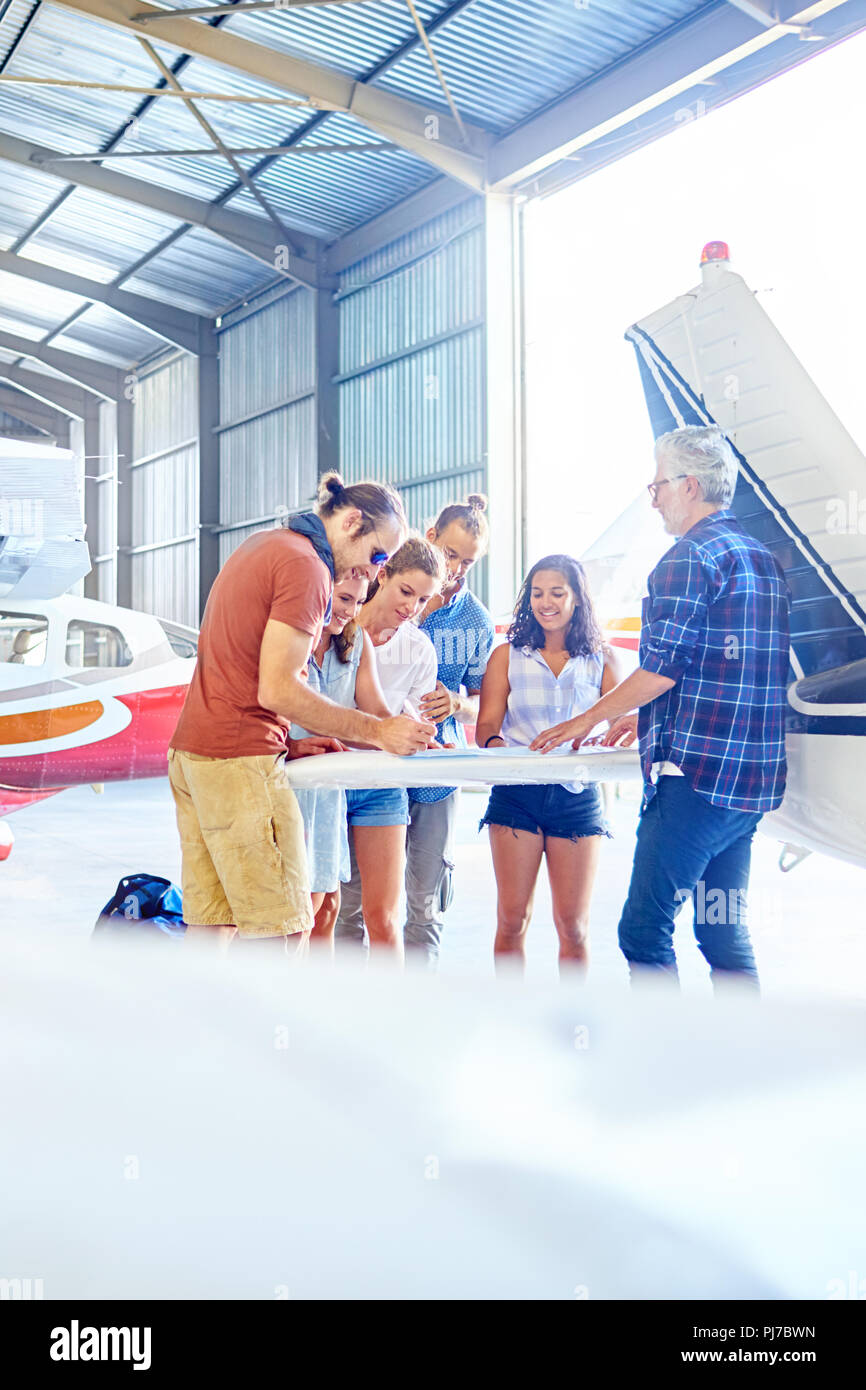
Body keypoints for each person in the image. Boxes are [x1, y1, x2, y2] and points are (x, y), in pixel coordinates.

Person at [530, 426, 791, 991]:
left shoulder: (686, 560)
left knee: (643, 931)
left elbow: (662, 668)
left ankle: (661, 1064)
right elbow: (728, 669)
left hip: (694, 782)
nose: (653, 499)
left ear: (688, 485)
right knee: (722, 932)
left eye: (656, 486)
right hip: (750, 785)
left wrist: (586, 718)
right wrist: (645, 714)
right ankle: (739, 1058)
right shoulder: (763, 560)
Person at [168, 474, 436, 955]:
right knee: (287, 931)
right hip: (241, 763)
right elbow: (278, 689)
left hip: (196, 755)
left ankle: (201, 1028)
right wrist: (378, 731)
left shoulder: (263, 545)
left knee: (213, 926)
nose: (374, 574)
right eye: (377, 556)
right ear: (351, 521)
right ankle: (269, 1032)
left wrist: (290, 745)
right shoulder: (308, 567)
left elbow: (240, 674)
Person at [476, 555, 623, 974]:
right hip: (516, 796)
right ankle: (511, 1018)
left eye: (557, 593)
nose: (547, 602)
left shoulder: (603, 659)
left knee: (573, 927)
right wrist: (498, 746)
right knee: (511, 919)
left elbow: (622, 721)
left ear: (577, 598)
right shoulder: (506, 655)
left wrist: (618, 732)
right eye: (538, 593)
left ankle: (571, 1026)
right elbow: (487, 722)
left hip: (577, 798)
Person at [334, 536, 446, 959]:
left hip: (381, 784)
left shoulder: (419, 648)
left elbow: (407, 723)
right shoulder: (336, 625)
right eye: (406, 592)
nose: (411, 608)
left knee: (384, 917)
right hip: (324, 780)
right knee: (329, 911)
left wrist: (424, 737)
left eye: (422, 600)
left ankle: (388, 1019)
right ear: (383, 576)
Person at [406, 495, 495, 966]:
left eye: (468, 561)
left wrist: (459, 702)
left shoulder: (478, 621)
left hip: (438, 773)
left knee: (424, 901)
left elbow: (485, 703)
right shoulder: (391, 594)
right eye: (450, 554)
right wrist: (420, 606)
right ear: (430, 536)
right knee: (356, 894)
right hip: (377, 768)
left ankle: (421, 1006)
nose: (457, 568)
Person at [290, 571, 393, 952]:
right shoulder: (290, 637)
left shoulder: (356, 643)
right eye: (343, 598)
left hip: (328, 796)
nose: (349, 611)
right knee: (289, 921)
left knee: (320, 915)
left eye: (357, 602)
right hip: (286, 793)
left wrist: (413, 738)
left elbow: (377, 713)